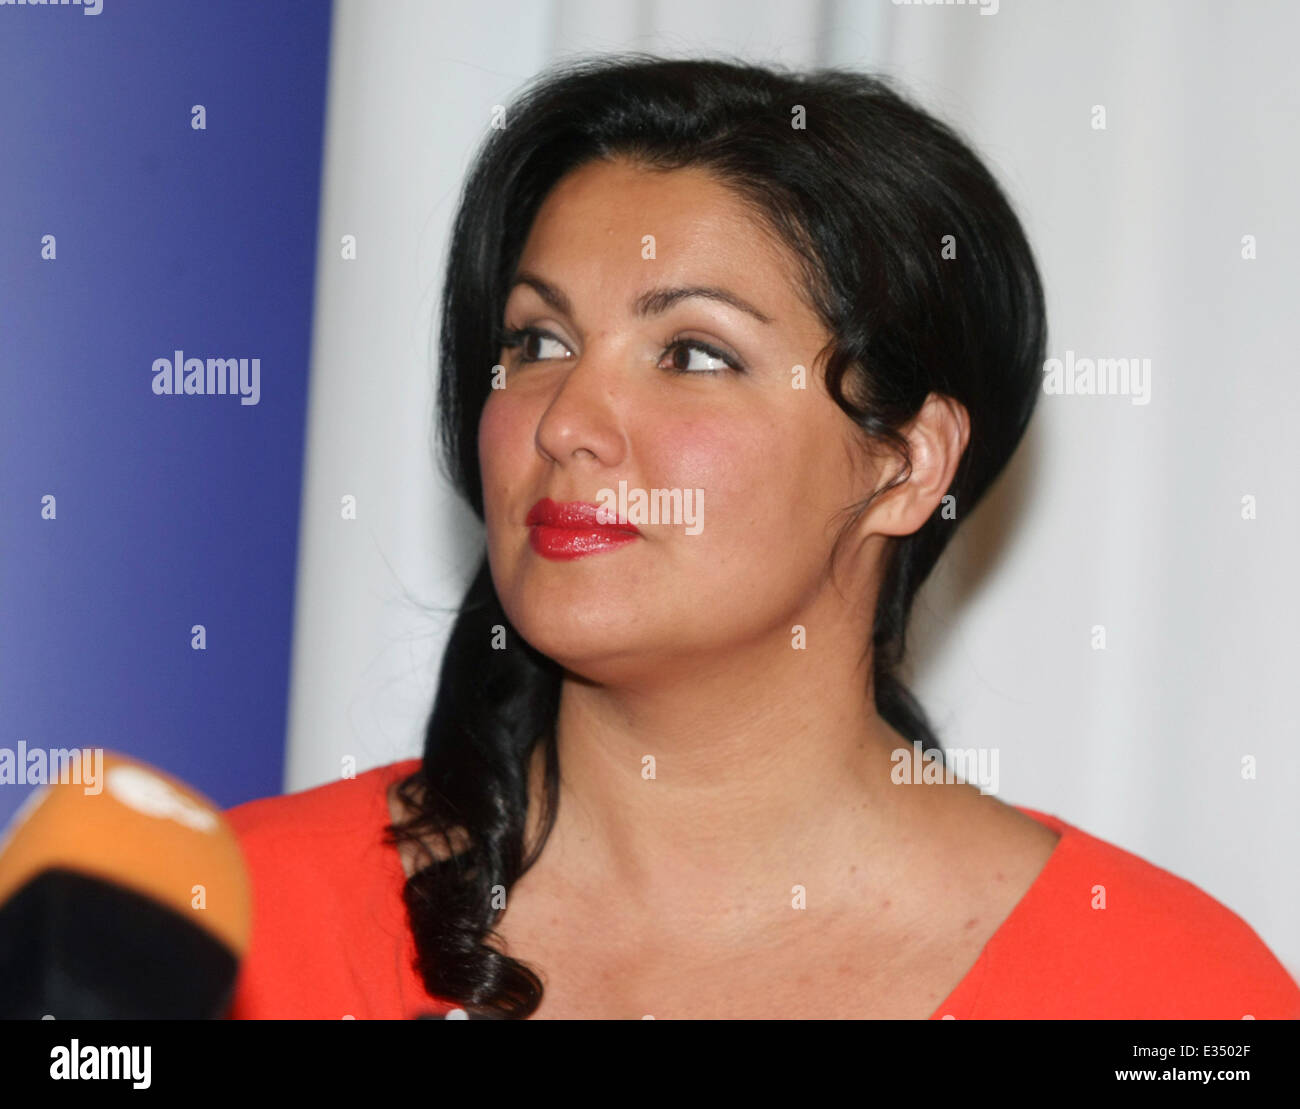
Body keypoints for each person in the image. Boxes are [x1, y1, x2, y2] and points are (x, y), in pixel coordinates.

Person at [225, 54, 1300, 1020]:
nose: (563, 424)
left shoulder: (1165, 992)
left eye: (692, 353)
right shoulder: (223, 924)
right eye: (537, 340)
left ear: (906, 463)